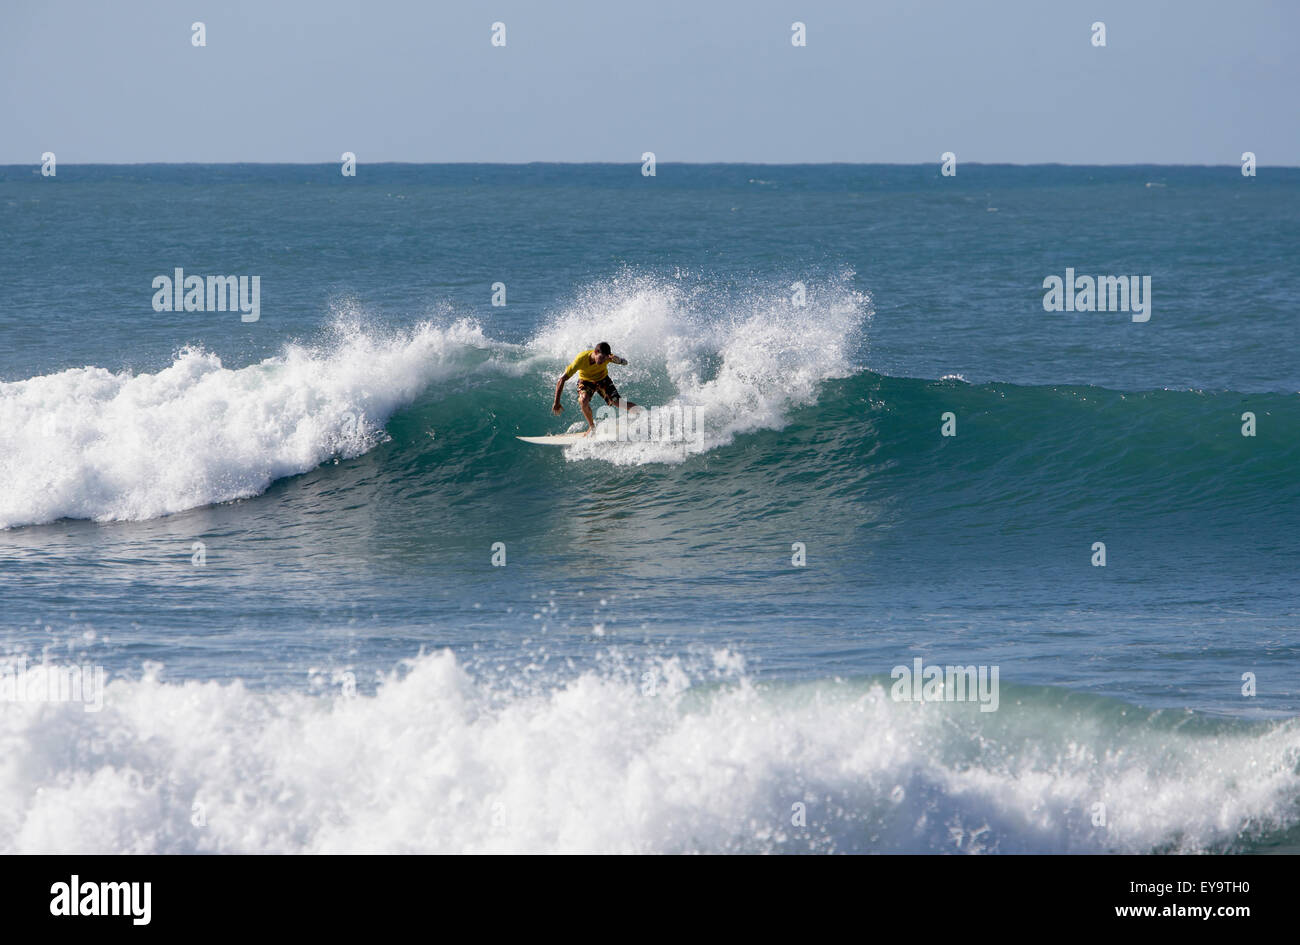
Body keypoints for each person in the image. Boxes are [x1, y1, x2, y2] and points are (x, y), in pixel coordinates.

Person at [552, 342, 639, 435]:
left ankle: (642, 415)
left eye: (605, 358)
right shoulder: (581, 359)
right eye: (601, 358)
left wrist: (620, 361)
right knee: (583, 400)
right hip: (586, 381)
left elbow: (625, 362)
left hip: (603, 379)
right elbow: (562, 380)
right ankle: (592, 427)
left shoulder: (608, 357)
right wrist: (557, 402)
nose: (602, 361)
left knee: (617, 402)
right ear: (595, 352)